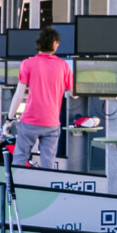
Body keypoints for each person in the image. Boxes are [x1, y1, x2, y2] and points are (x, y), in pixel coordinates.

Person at [8, 26, 73, 168]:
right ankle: (45, 189)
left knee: (19, 159)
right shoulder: (64, 66)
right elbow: (73, 93)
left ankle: (15, 188)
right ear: (55, 44)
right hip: (52, 123)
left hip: (30, 121)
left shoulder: (27, 63)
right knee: (48, 163)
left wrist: (9, 119)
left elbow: (19, 95)